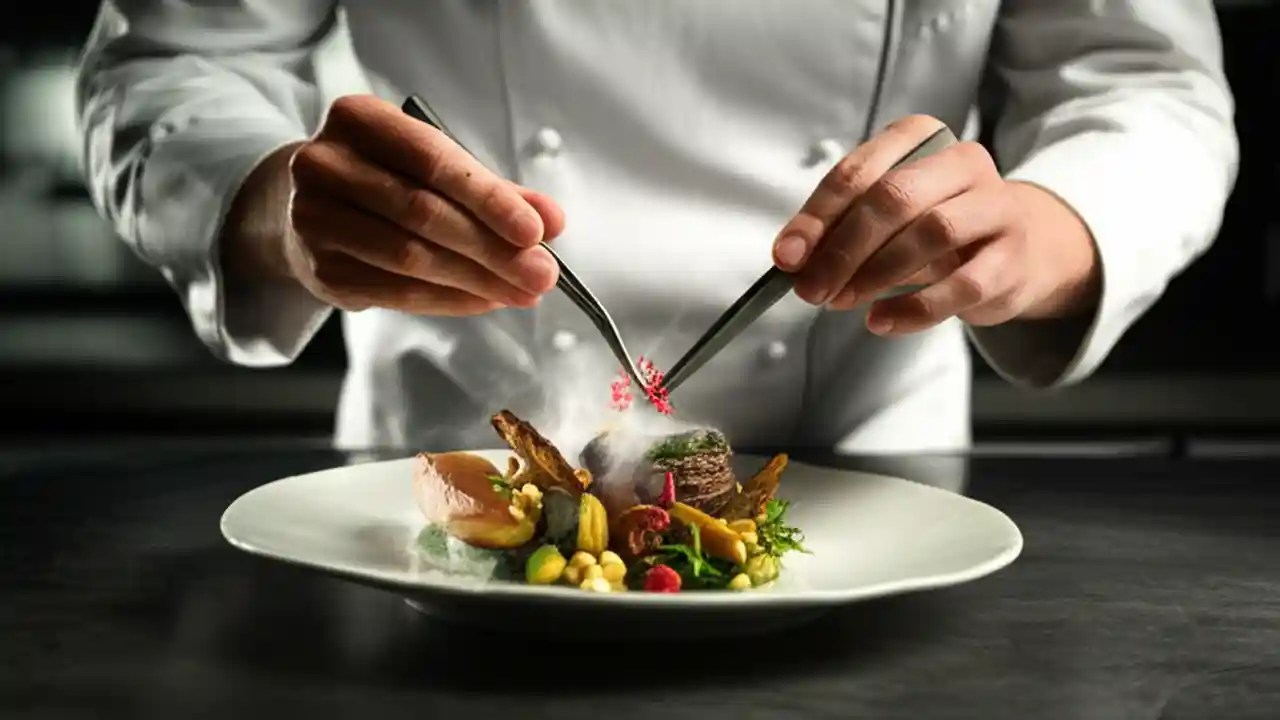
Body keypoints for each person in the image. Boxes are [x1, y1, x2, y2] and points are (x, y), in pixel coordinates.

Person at [75, 1, 1237, 459]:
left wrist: (1051, 225)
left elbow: (1144, 84)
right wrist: (278, 208)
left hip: (874, 479)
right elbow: (174, 59)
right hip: (442, 478)